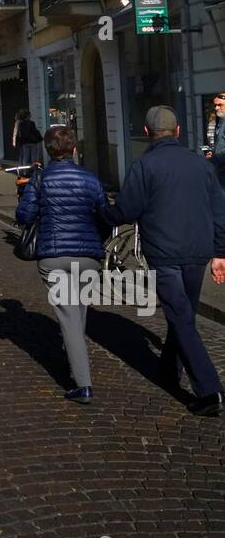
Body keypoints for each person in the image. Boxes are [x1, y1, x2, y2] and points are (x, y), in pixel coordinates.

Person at [110, 105, 225, 416]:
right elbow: (219, 212)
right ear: (178, 131)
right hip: (198, 251)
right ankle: (168, 369)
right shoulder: (202, 166)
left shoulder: (144, 166)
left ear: (147, 133)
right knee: (183, 314)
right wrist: (219, 253)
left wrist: (100, 212)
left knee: (180, 317)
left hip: (164, 252)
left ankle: (209, 389)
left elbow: (125, 211)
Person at [15, 124, 112, 403]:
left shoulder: (41, 179)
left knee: (69, 317)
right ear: (73, 149)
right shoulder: (90, 179)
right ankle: (75, 357)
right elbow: (105, 216)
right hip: (87, 257)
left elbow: (25, 215)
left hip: (54, 256)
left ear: (48, 150)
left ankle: (83, 384)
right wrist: (95, 241)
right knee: (77, 312)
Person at [205, 93, 225, 189]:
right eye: (215, 105)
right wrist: (213, 153)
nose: (216, 108)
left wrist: (214, 159)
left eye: (220, 105)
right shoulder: (220, 121)